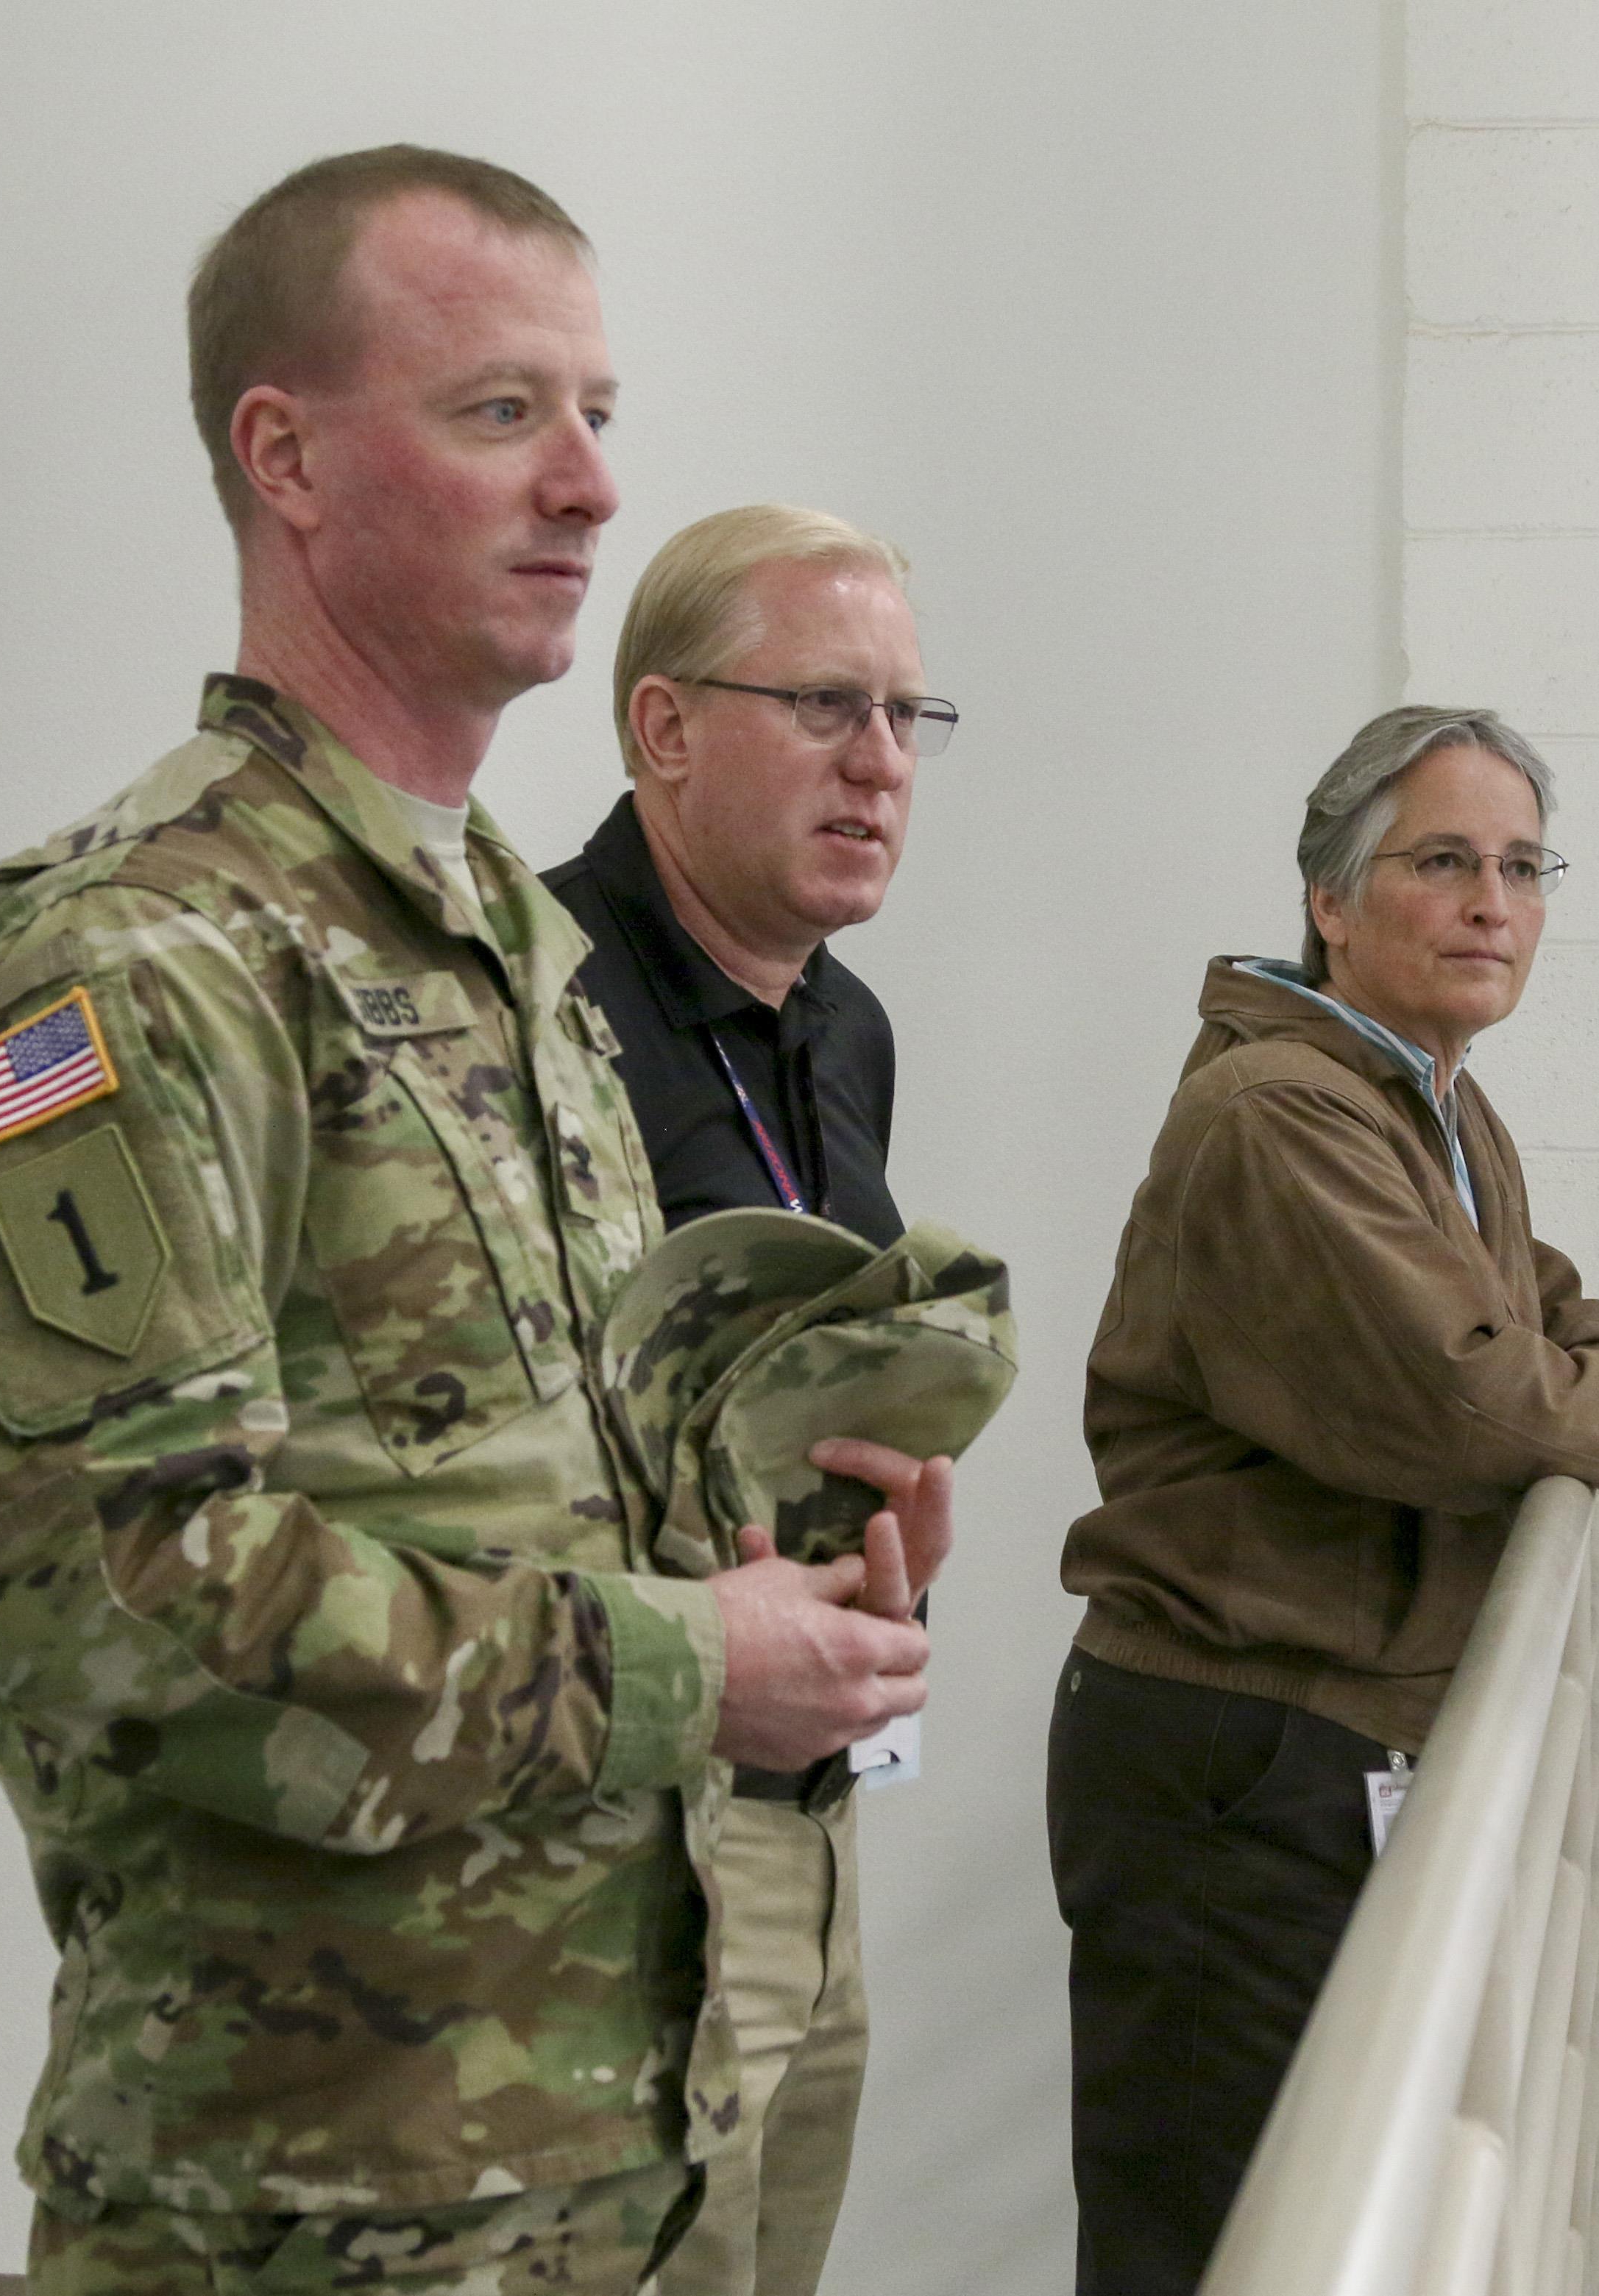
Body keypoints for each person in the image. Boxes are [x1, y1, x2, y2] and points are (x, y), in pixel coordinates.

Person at [0, 147, 937, 2296]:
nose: (585, 487)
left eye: (600, 416)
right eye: (499, 412)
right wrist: (685, 1666)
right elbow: (137, 1616)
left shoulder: (502, 955)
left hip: (592, 2169)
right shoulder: (126, 969)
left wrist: (767, 1577)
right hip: (307, 2215)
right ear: (284, 455)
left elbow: (486, 1493)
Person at [1045, 704, 1599, 2295]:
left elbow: (1552, 1323)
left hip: (1308, 1729)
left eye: (1520, 865)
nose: (1494, 902)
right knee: (1231, 2242)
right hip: (1233, 1751)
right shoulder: (1282, 1115)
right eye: (1443, 861)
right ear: (1333, 898)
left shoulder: (1420, 1093)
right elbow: (1471, 1396)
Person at [544, 503, 961, 2295]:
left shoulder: (844, 1024)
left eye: (904, 719)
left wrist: (890, 1538)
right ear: (662, 729)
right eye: (820, 706)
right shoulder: (534, 1008)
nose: (876, 765)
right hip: (605, 1847)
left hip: (808, 1798)